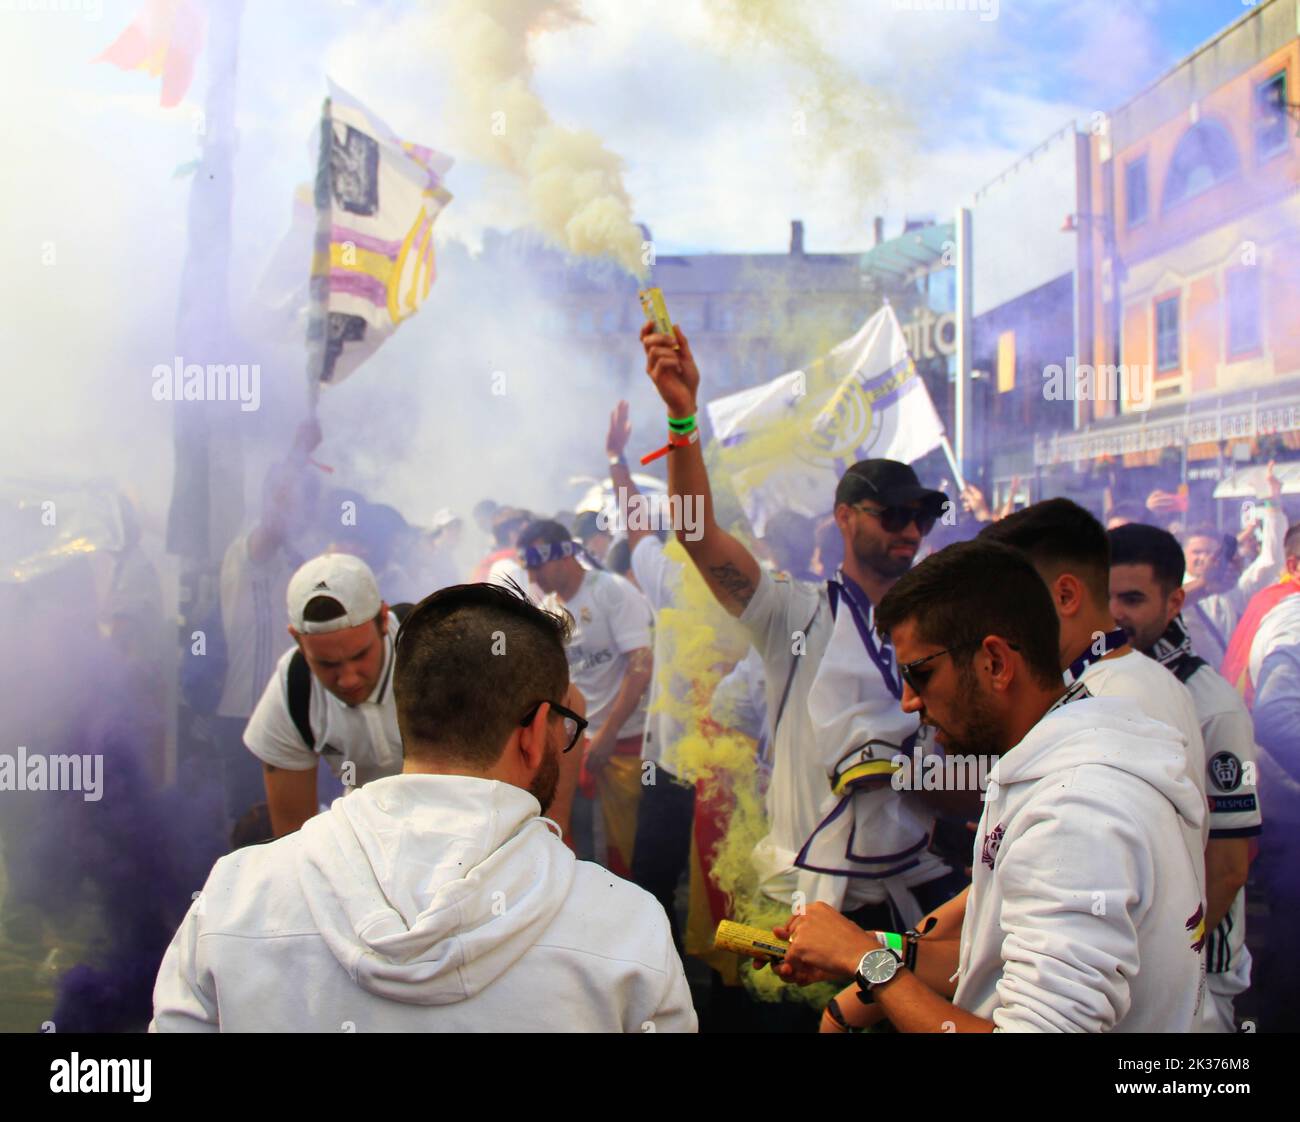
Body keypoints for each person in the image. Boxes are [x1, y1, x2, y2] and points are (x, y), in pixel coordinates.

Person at [151, 582, 695, 1032]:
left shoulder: (234, 895)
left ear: (403, 715)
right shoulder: (626, 929)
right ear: (533, 734)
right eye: (563, 726)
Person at [770, 540, 1207, 1033]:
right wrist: (867, 949)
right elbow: (992, 965)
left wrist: (870, 965)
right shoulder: (1052, 764)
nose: (909, 702)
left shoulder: (1075, 811)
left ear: (995, 663)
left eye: (920, 674)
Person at [639, 321, 963, 925]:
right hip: (811, 903)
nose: (911, 530)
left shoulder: (946, 625)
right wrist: (683, 420)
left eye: (922, 515)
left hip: (919, 895)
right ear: (844, 516)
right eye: (892, 515)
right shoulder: (797, 613)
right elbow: (694, 534)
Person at [978, 499, 1209, 860]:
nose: (992, 622)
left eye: (1006, 602)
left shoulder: (1104, 704)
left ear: (1066, 596)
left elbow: (1084, 874)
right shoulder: (1135, 679)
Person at [1108, 523, 1262, 1032]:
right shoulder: (1095, 681)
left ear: (1174, 602)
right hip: (1116, 963)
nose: (1115, 615)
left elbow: (1228, 867)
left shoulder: (1216, 708)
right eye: (1105, 597)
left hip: (1195, 976)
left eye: (1132, 598)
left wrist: (1162, 964)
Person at [518, 518, 653, 878]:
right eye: (528, 568)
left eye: (538, 565)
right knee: (582, 844)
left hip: (627, 742)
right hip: (578, 745)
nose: (534, 577)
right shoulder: (548, 607)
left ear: (564, 555)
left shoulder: (611, 591)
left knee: (630, 848)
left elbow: (641, 664)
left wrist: (608, 733)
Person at [241, 553, 406, 837]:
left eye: (360, 655)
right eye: (327, 664)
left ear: (382, 620)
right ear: (297, 640)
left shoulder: (434, 650)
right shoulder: (294, 688)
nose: (348, 678)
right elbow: (292, 837)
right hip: (370, 838)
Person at [1182, 462, 1286, 666]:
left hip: (1229, 687)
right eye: (1196, 552)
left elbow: (1271, 560)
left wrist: (1272, 504)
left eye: (1210, 552)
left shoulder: (1232, 589)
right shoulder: (1173, 593)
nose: (1203, 557)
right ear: (1183, 554)